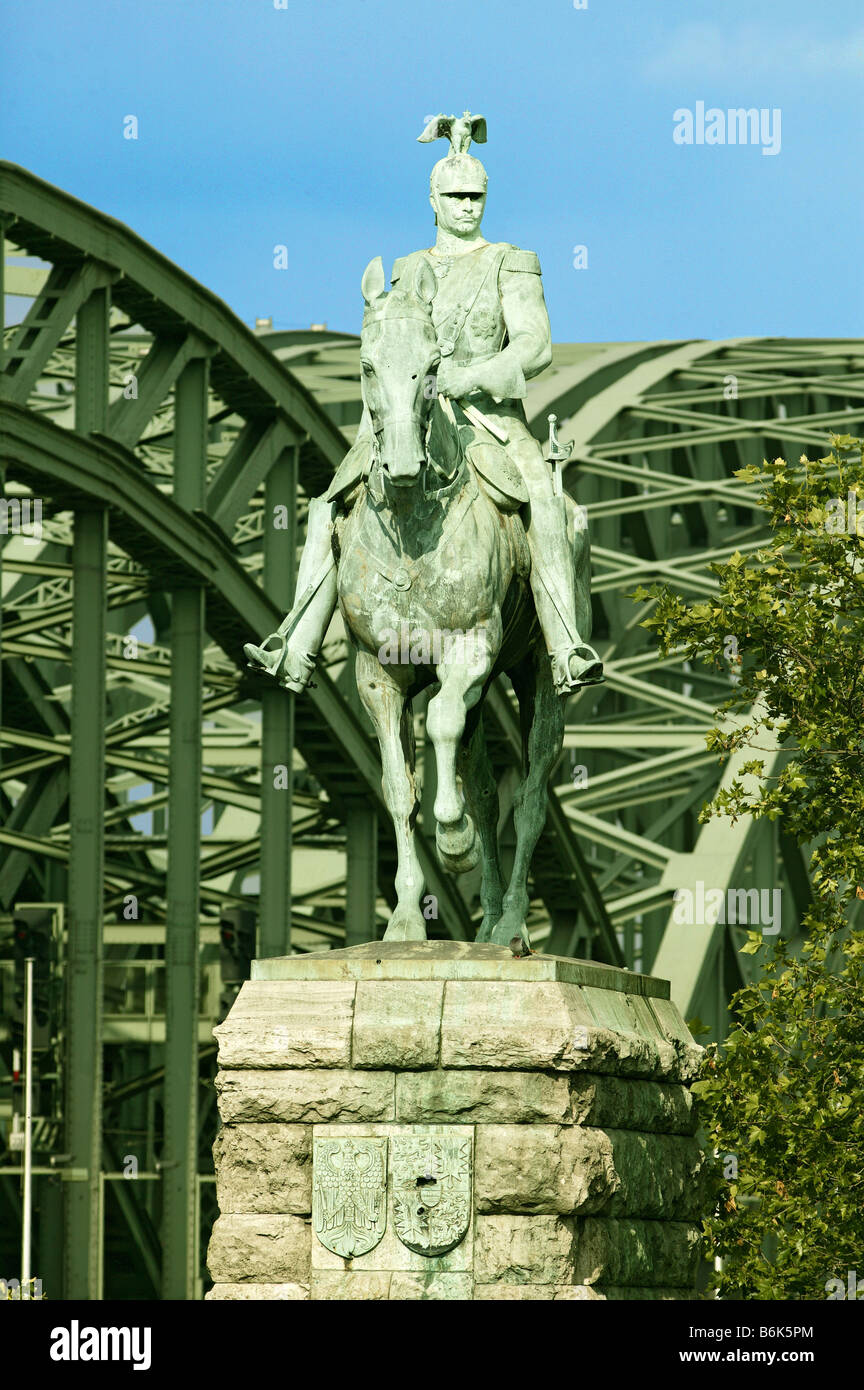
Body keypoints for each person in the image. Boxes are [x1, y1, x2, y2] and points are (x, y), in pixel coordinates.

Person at [245, 112, 603, 696]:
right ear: (432, 200)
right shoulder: (408, 270)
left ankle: (564, 647)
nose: (467, 205)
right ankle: (297, 643)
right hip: (407, 420)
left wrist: (472, 376)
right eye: (455, 195)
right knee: (325, 507)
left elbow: (535, 347)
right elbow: (387, 352)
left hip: (492, 422)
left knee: (543, 499)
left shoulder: (511, 261)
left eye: (476, 195)